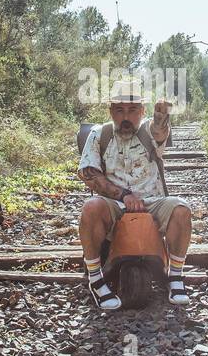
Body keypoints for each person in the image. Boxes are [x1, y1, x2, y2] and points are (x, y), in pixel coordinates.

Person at [78, 78, 192, 310]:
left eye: (132, 110)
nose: (126, 117)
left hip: (154, 201)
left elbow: (159, 132)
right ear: (111, 111)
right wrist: (122, 195)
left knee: (181, 209)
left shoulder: (148, 131)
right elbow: (89, 174)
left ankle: (175, 276)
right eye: (119, 110)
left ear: (142, 111)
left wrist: (162, 115)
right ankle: (95, 279)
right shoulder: (100, 134)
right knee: (90, 208)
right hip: (114, 204)